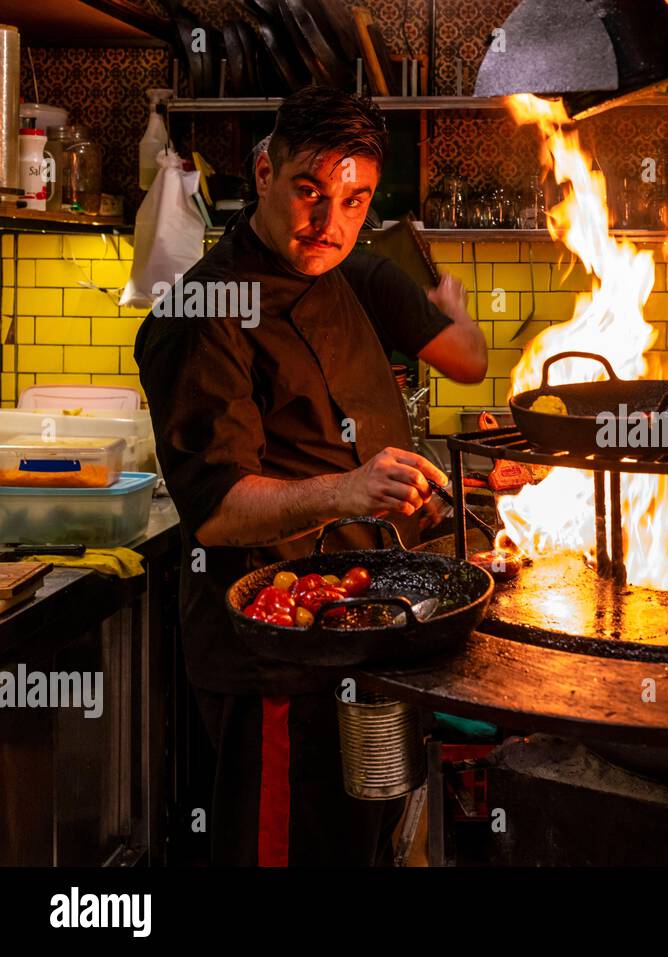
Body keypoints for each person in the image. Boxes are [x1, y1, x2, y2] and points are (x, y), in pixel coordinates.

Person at [134, 86, 487, 866]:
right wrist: (351, 489)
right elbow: (220, 512)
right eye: (310, 193)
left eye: (355, 200)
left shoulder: (347, 275)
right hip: (279, 660)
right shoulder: (202, 315)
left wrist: (461, 502)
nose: (330, 223)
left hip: (362, 631)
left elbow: (378, 421)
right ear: (264, 171)